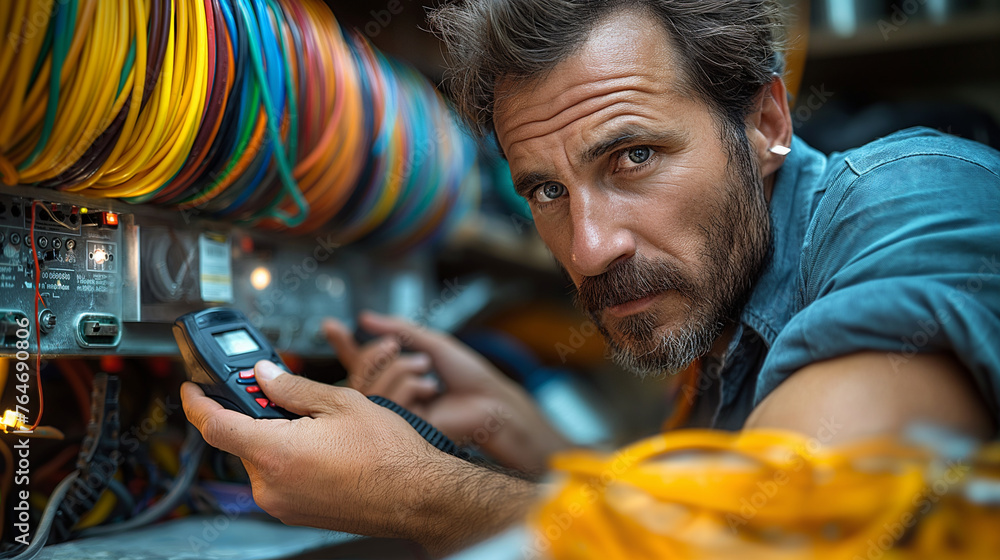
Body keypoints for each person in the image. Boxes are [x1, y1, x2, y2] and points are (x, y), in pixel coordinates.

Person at [181, 0, 1000, 555]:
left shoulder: (922, 197)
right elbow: (696, 507)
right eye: (545, 190)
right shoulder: (723, 303)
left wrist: (418, 491)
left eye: (633, 157)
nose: (590, 247)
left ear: (764, 122)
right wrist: (533, 445)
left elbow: (778, 534)